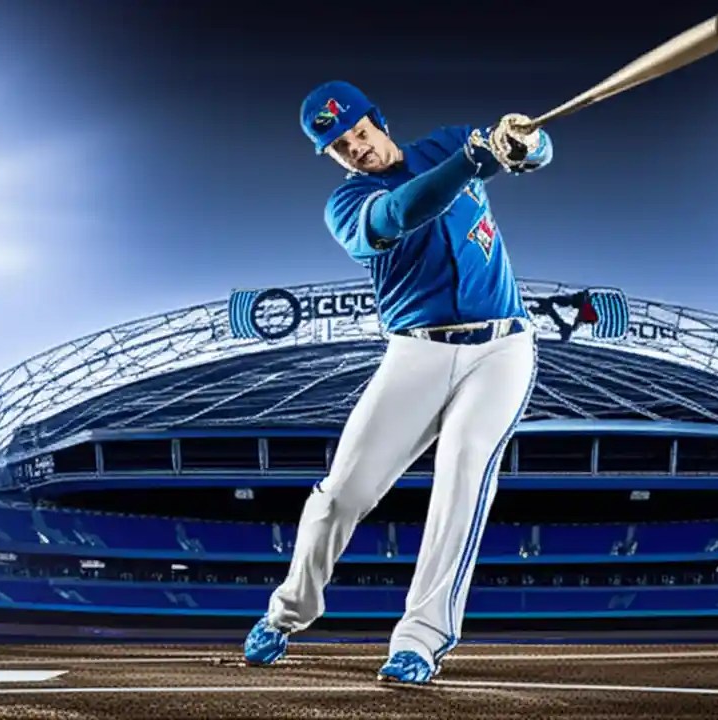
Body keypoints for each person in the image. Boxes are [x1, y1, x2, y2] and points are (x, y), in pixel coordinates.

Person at [243, 80, 553, 685]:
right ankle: (287, 613)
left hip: (504, 347)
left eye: (358, 131)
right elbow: (402, 212)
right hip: (417, 352)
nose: (354, 148)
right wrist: (474, 160)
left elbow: (538, 156)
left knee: (462, 477)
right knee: (341, 494)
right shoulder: (348, 205)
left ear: (378, 120)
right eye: (338, 145)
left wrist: (527, 142)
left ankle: (420, 639)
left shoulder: (446, 144)